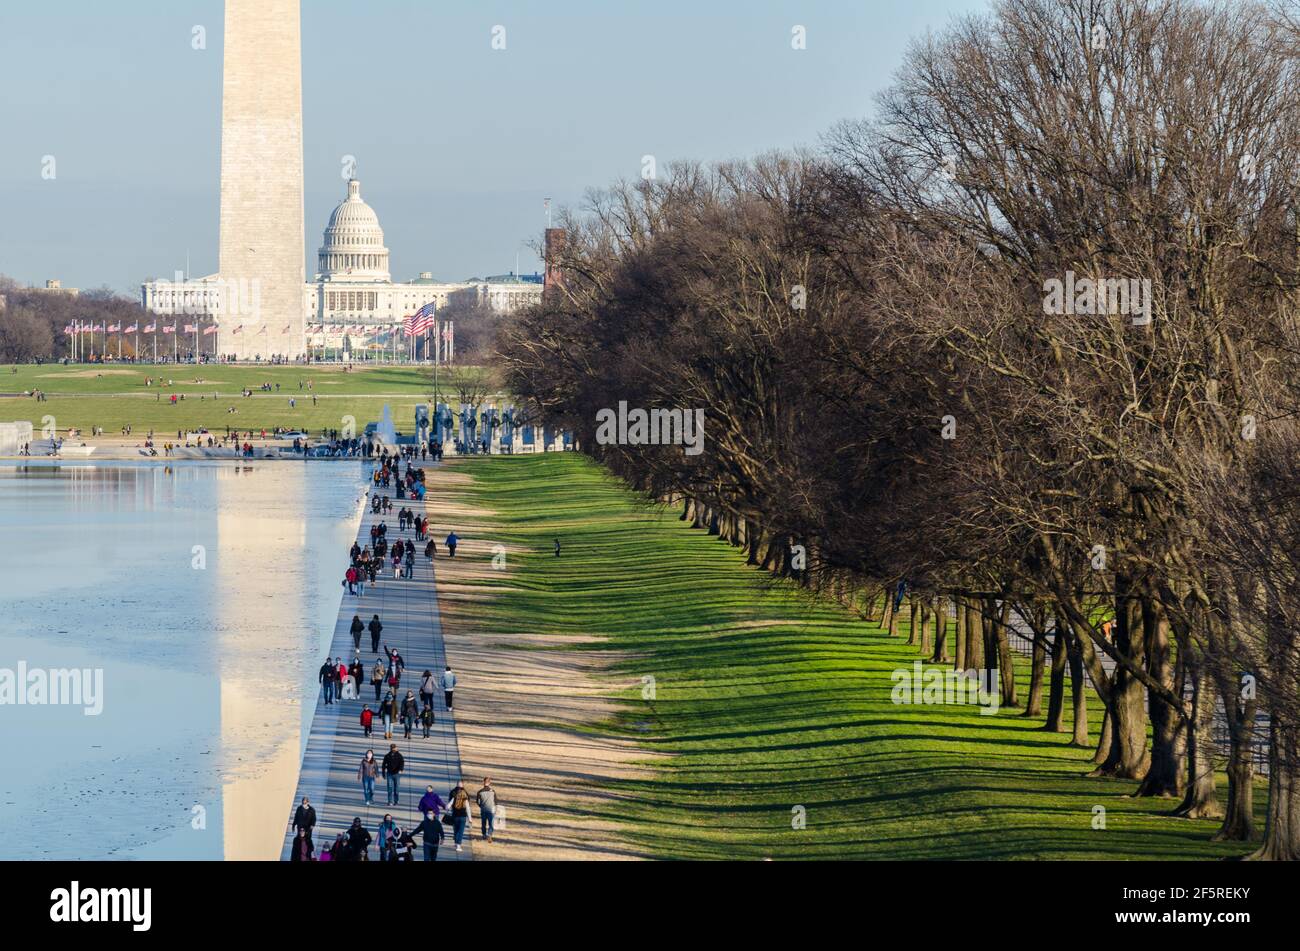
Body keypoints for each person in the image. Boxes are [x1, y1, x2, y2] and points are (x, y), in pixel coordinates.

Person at [447, 780, 472, 853]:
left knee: (455, 829)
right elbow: (468, 807)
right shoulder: (465, 794)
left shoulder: (453, 792)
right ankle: (458, 845)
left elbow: (449, 804)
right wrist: (470, 819)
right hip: (463, 815)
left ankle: (456, 842)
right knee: (460, 831)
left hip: (454, 814)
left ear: (457, 784)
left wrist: (446, 808)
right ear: (463, 785)